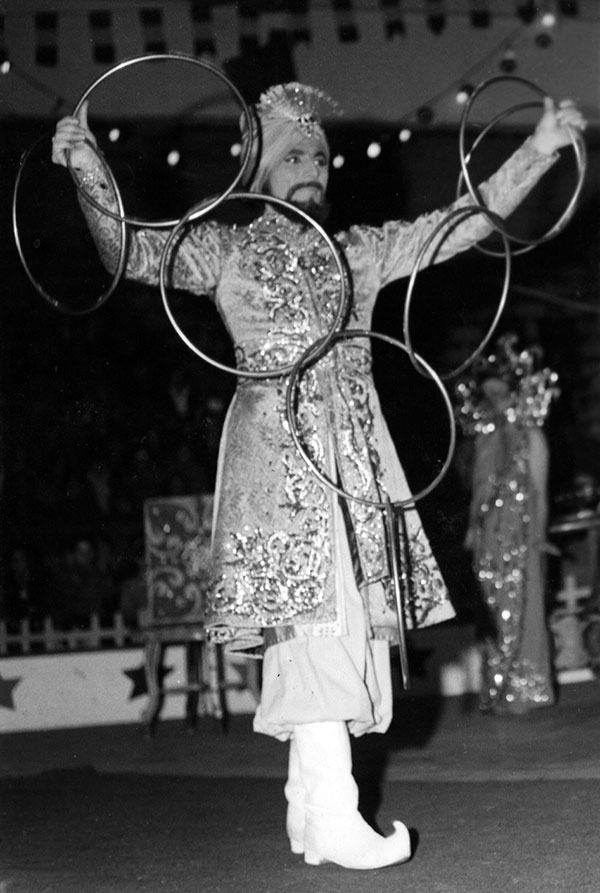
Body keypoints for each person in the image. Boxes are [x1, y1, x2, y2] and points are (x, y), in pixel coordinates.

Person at [51, 83, 585, 869]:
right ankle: (332, 813)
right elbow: (129, 251)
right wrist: (87, 167)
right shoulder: (226, 249)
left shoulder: (359, 250)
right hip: (280, 459)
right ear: (259, 169)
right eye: (295, 154)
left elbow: (460, 223)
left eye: (322, 157)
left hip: (358, 458)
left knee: (341, 632)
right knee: (317, 626)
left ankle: (312, 811)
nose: (314, 166)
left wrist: (538, 150)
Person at [456, 334, 560, 714]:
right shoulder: (486, 442)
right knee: (491, 611)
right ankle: (497, 688)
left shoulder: (532, 438)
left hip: (522, 537)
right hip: (489, 539)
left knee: (524, 608)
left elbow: (539, 490)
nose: (498, 403)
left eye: (502, 393)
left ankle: (524, 690)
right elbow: (479, 492)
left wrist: (538, 537)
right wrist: (472, 529)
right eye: (490, 395)